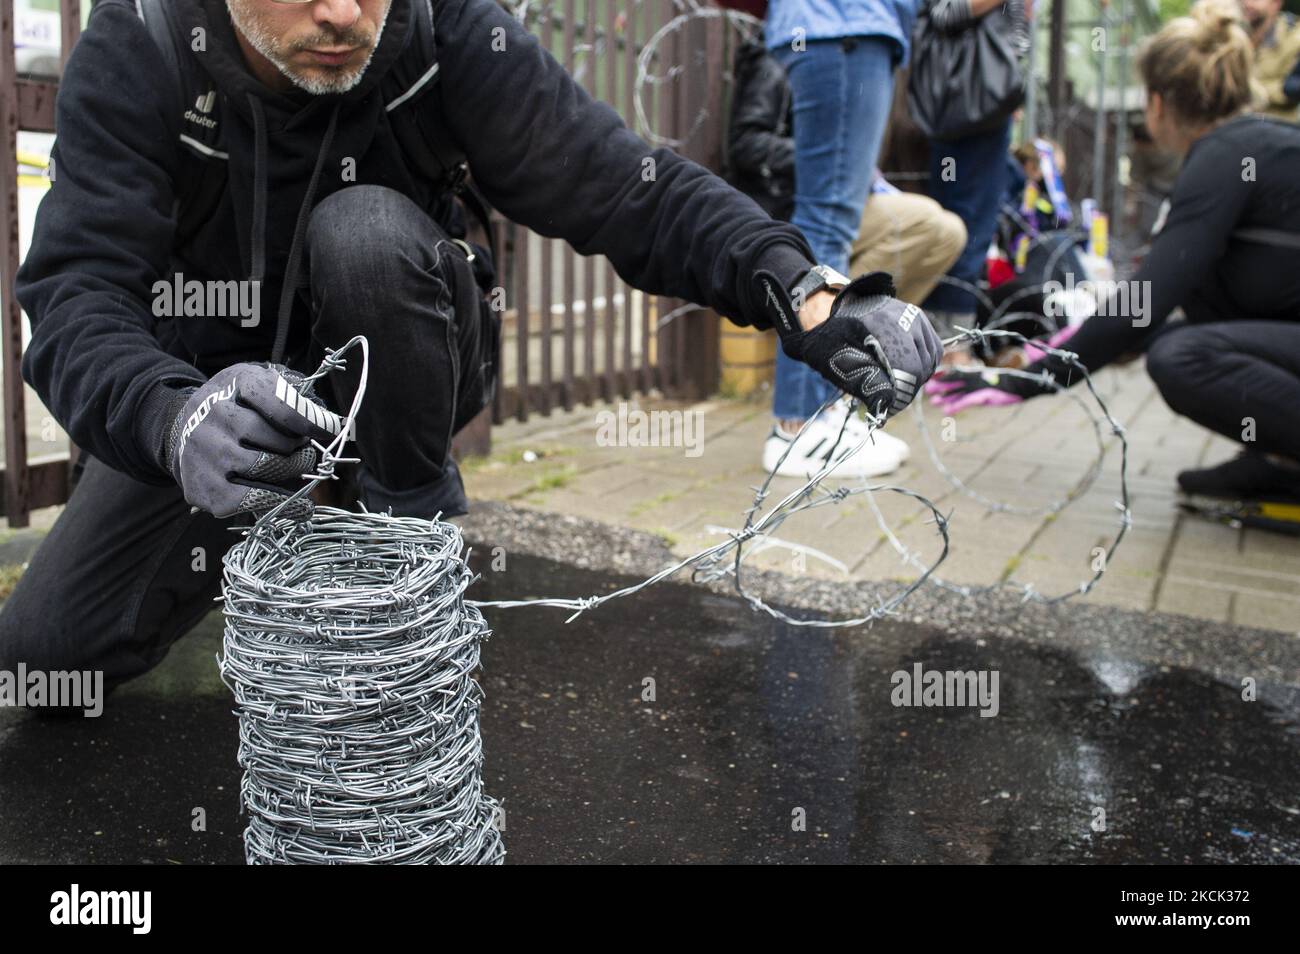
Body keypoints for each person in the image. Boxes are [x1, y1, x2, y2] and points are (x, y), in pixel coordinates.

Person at [1, 0, 941, 696]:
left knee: (363, 231)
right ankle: (277, 527)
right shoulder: (143, 43)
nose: (341, 14)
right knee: (46, 666)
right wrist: (170, 419)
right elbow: (76, 295)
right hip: (216, 406)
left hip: (401, 361)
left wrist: (807, 296)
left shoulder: (443, 32)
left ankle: (409, 553)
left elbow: (629, 188)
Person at [935, 0, 1300, 510]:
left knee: (1183, 356)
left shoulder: (1226, 156)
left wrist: (1030, 380)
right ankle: (1280, 459)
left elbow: (1142, 305)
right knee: (1178, 335)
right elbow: (1154, 305)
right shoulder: (1252, 147)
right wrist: (1062, 350)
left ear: (1156, 104)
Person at [726, 32, 966, 473]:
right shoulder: (787, 48)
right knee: (915, 225)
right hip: (789, 204)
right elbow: (746, 146)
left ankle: (836, 384)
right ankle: (797, 424)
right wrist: (828, 159)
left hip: (844, 196)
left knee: (941, 230)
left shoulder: (854, 47)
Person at [755, 0, 921, 479]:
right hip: (845, 28)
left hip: (839, 29)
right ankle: (797, 424)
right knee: (827, 221)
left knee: (831, 223)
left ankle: (821, 412)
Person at [920, 0, 1030, 366]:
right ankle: (951, 350)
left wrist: (1012, 72)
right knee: (965, 227)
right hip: (967, 103)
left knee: (972, 228)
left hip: (983, 103)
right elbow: (943, 14)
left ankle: (953, 347)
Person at [1241, 0, 1300, 121]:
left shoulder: (1294, 38)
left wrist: (1251, 90)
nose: (1248, 3)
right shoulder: (1230, 32)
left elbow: (1293, 88)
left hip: (1274, 126)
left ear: (1276, 4)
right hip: (1229, 126)